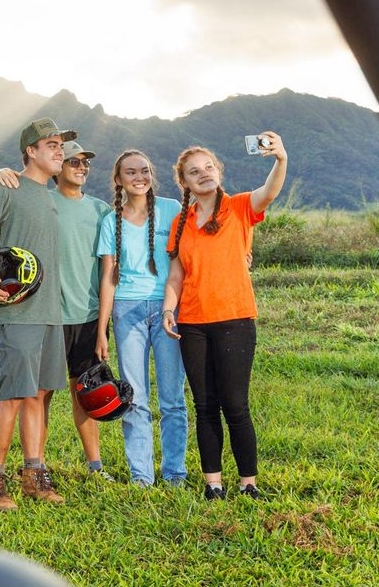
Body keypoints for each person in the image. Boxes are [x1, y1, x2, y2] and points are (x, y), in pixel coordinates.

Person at [161, 133, 288, 501]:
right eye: (194, 171)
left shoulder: (239, 207)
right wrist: (168, 308)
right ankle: (213, 484)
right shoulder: (181, 222)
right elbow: (176, 275)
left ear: (218, 171)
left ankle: (248, 484)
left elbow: (269, 192)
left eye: (208, 167)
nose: (203, 174)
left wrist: (280, 159)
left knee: (235, 405)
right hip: (192, 323)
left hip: (235, 319)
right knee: (204, 406)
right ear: (184, 182)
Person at [0, 117, 73, 511]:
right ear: (31, 150)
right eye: (52, 145)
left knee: (39, 395)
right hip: (17, 311)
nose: (60, 151)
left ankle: (33, 477)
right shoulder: (6, 187)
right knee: (13, 395)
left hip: (50, 312)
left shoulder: (48, 195)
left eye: (61, 145)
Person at [0, 140, 116, 482]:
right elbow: (14, 193)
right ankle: (36, 467)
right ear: (58, 166)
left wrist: (102, 327)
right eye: (73, 161)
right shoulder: (44, 202)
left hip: (87, 315)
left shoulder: (101, 210)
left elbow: (111, 267)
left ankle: (95, 466)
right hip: (48, 315)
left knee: (86, 390)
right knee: (39, 394)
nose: (81, 167)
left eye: (85, 162)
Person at [94, 150, 188, 487]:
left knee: (173, 399)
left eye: (144, 170)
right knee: (133, 397)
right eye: (131, 172)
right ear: (119, 179)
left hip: (168, 309)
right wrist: (102, 329)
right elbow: (108, 279)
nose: (139, 177)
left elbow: (197, 245)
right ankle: (142, 477)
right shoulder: (111, 222)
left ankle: (175, 474)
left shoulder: (171, 209)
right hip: (127, 311)